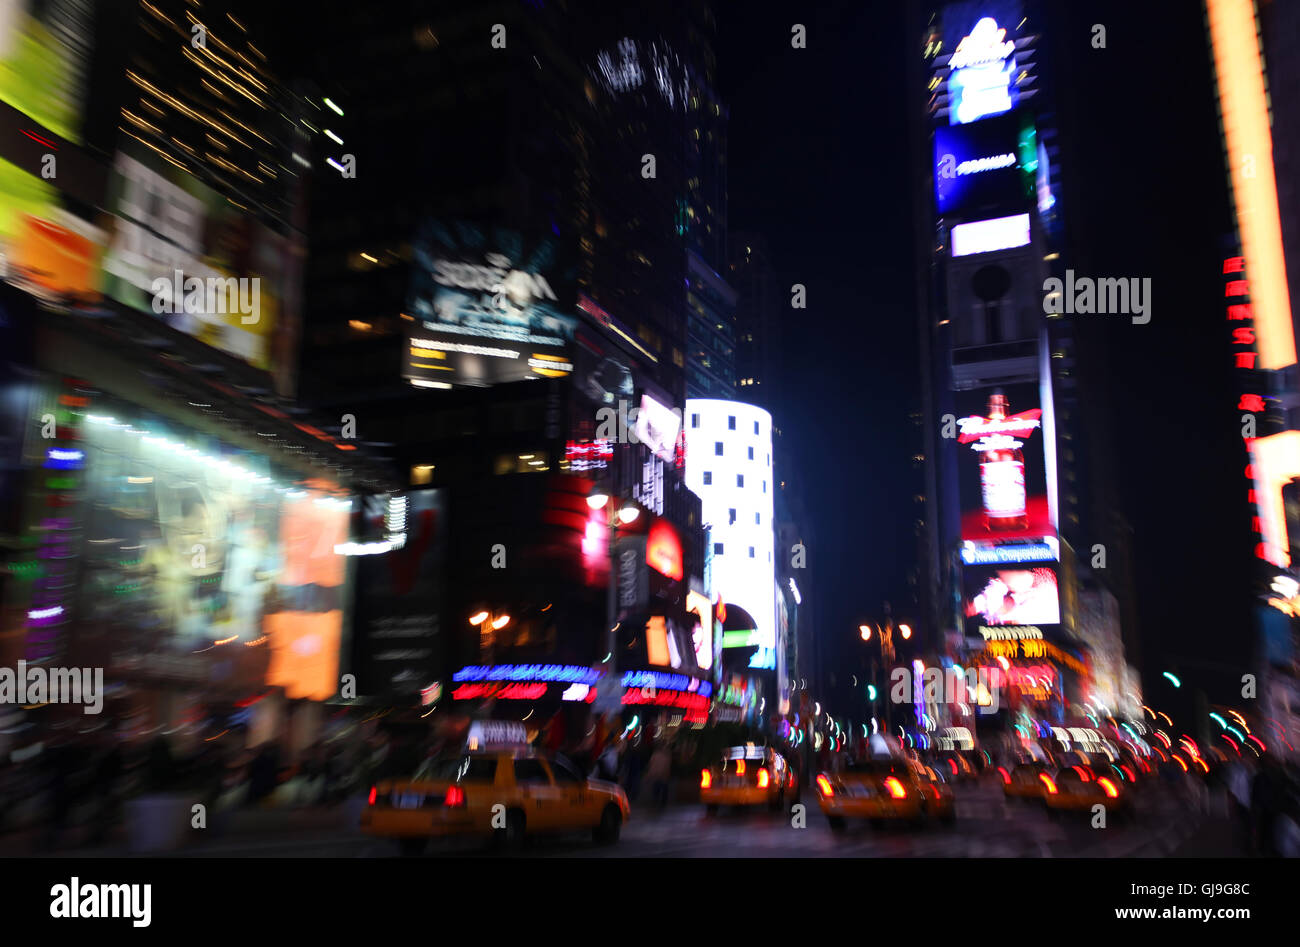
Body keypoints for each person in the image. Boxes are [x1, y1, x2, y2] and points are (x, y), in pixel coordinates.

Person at [647, 742, 672, 810]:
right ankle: (662, 802)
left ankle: (656, 801)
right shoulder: (666, 755)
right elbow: (667, 765)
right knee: (662, 788)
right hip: (662, 774)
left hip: (656, 773)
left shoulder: (655, 754)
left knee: (657, 788)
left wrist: (650, 773)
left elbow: (651, 764)